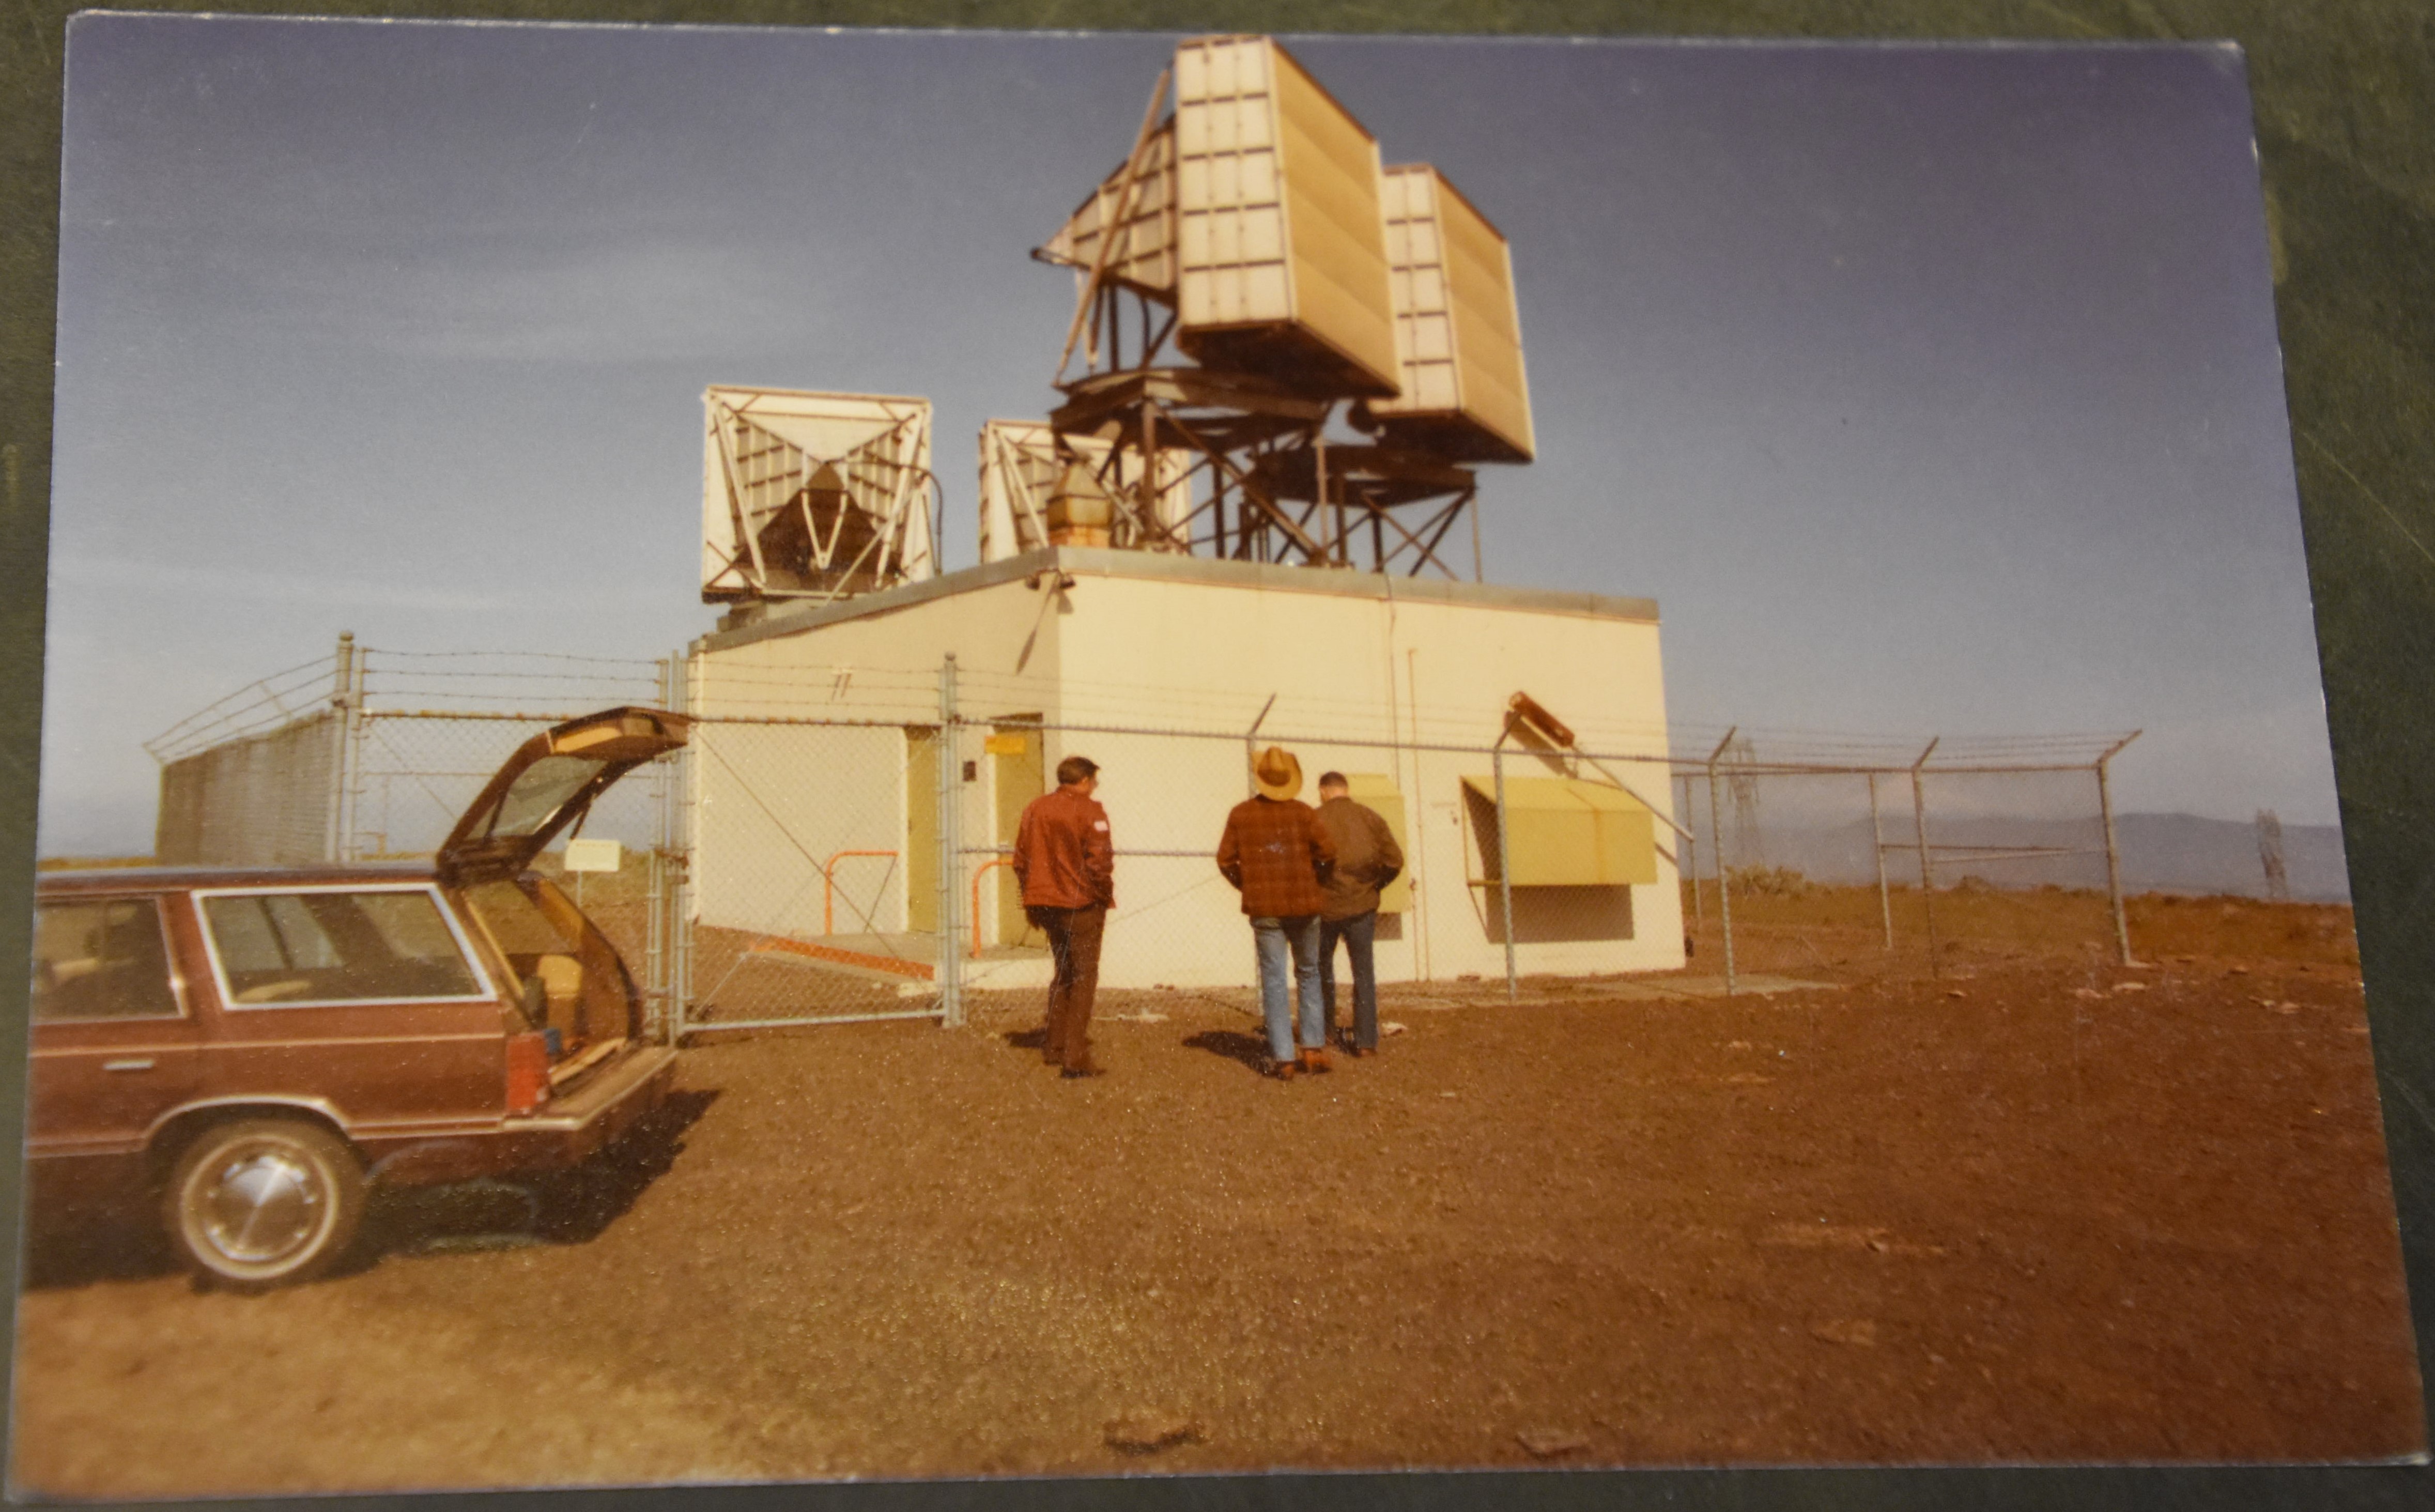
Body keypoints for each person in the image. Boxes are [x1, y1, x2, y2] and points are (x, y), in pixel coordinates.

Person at [1216, 746, 1336, 1079]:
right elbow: (1328, 852)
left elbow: (1225, 860)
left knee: (1273, 978)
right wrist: (1315, 880)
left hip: (1265, 907)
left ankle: (1283, 1056)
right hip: (1304, 904)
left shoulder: (1241, 814)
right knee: (1309, 972)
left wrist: (1248, 885)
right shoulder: (1304, 813)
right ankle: (1312, 1049)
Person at [1012, 754, 1115, 1078]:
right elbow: (1100, 862)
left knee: (1063, 971)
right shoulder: (1091, 811)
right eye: (1094, 781)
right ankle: (1075, 1055)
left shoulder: (1036, 808)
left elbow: (1020, 860)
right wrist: (1102, 894)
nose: (1095, 787)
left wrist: (1031, 898)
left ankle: (1055, 1045)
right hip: (1081, 904)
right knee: (1084, 976)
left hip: (1046, 903)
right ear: (1084, 780)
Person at [1313, 772, 1404, 1057]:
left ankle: (1324, 1031)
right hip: (1362, 905)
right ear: (1346, 789)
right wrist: (1375, 886)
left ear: (1323, 791)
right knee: (1363, 972)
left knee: (1320, 969)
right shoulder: (1370, 817)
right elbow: (1395, 860)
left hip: (1325, 907)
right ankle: (1365, 1041)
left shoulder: (1314, 819)